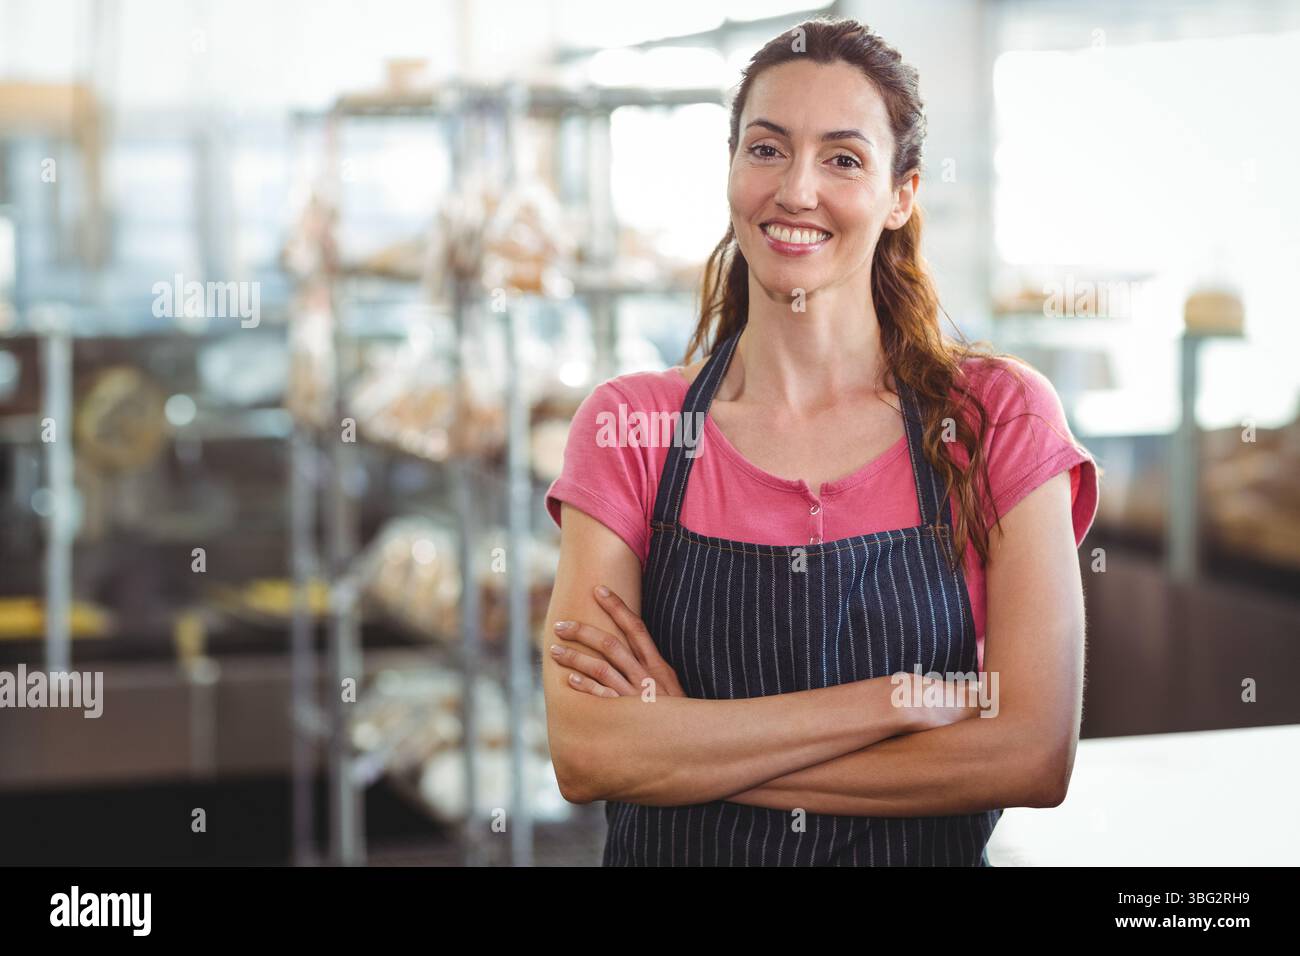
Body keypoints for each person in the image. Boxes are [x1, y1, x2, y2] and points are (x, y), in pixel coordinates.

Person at [540, 15, 1099, 866]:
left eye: (843, 158)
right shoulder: (634, 428)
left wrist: (682, 748)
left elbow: (1030, 752)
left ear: (901, 194)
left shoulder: (996, 420)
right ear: (732, 169)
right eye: (766, 149)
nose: (797, 190)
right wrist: (890, 702)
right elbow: (588, 755)